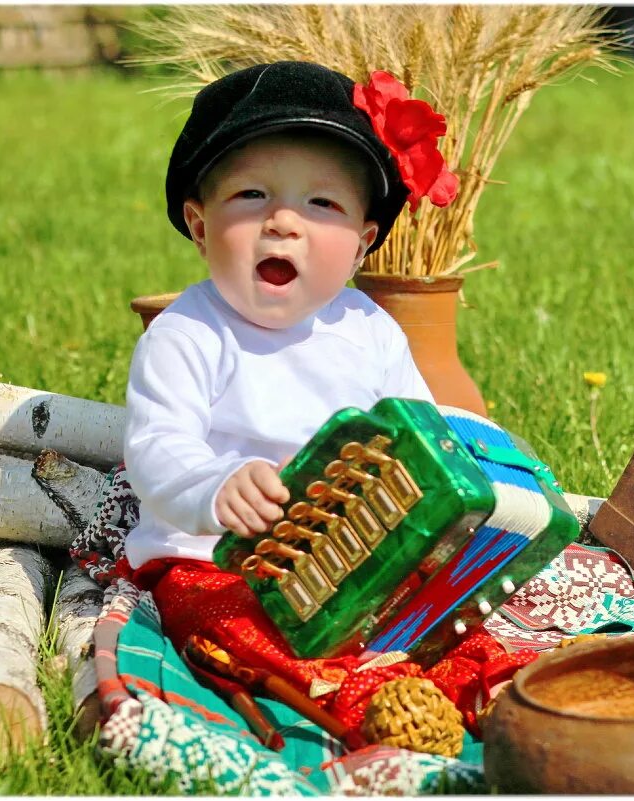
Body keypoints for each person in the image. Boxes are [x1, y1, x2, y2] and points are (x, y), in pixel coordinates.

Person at [109, 60, 533, 739]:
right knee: (239, 627)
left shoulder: (369, 330)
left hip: (358, 556)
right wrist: (214, 485)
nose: (283, 222)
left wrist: (467, 480)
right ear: (199, 224)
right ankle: (370, 706)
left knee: (444, 618)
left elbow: (422, 432)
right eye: (251, 195)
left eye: (322, 204)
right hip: (219, 559)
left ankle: (494, 689)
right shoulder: (189, 334)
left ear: (363, 244)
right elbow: (157, 451)